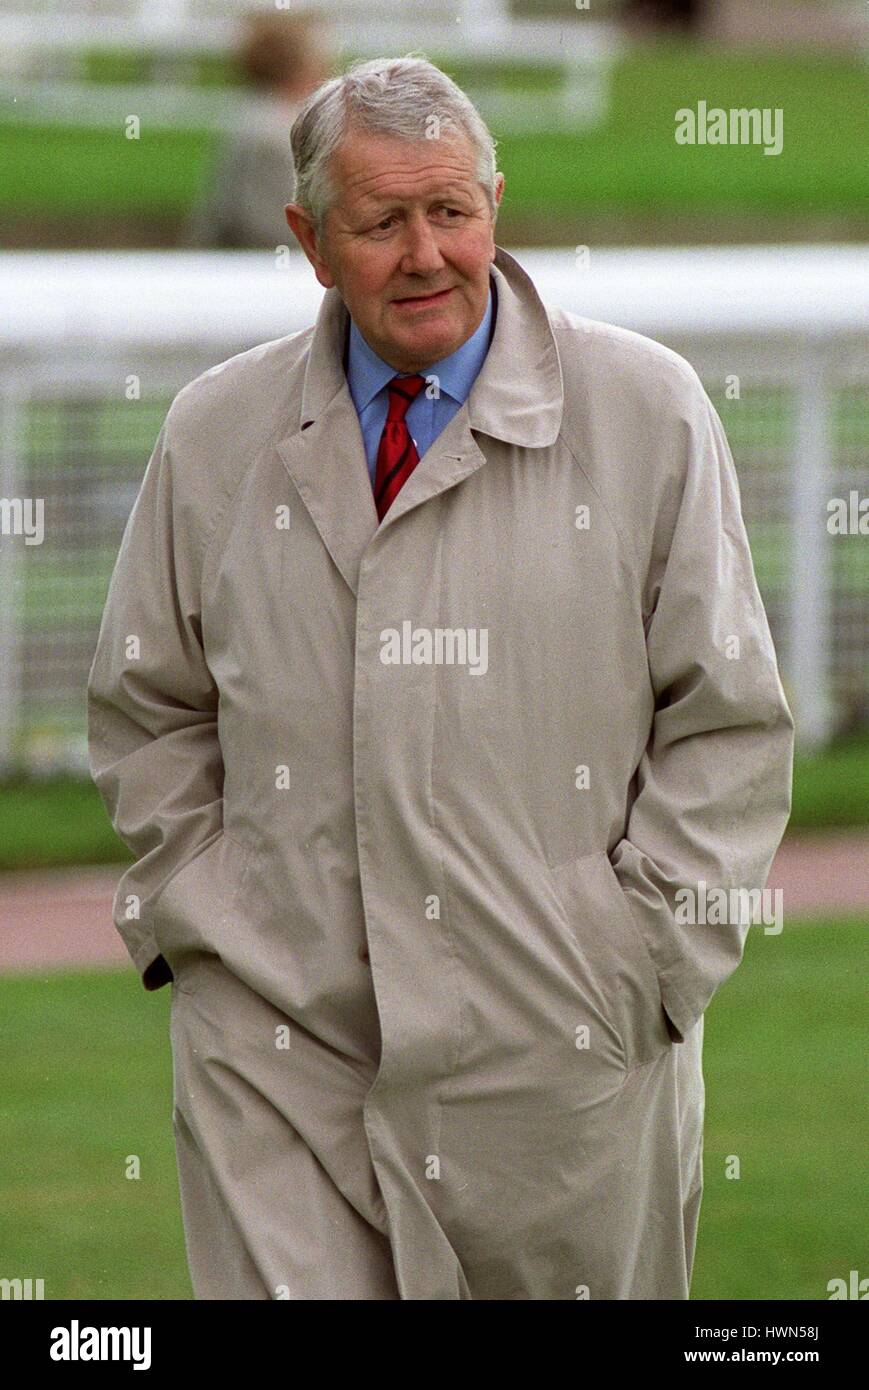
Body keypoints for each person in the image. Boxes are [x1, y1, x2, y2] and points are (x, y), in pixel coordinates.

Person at [87, 55, 794, 1300]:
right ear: (307, 239)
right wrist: (201, 924)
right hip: (277, 1052)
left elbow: (726, 724)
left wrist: (639, 964)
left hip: (565, 1051)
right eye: (380, 223)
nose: (425, 254)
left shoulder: (648, 410)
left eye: (450, 211)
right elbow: (148, 705)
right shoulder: (212, 433)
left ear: (495, 205)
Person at [182, 10, 331, 249]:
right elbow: (273, 231)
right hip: (260, 274)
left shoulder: (257, 117)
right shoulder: (272, 133)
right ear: (297, 63)